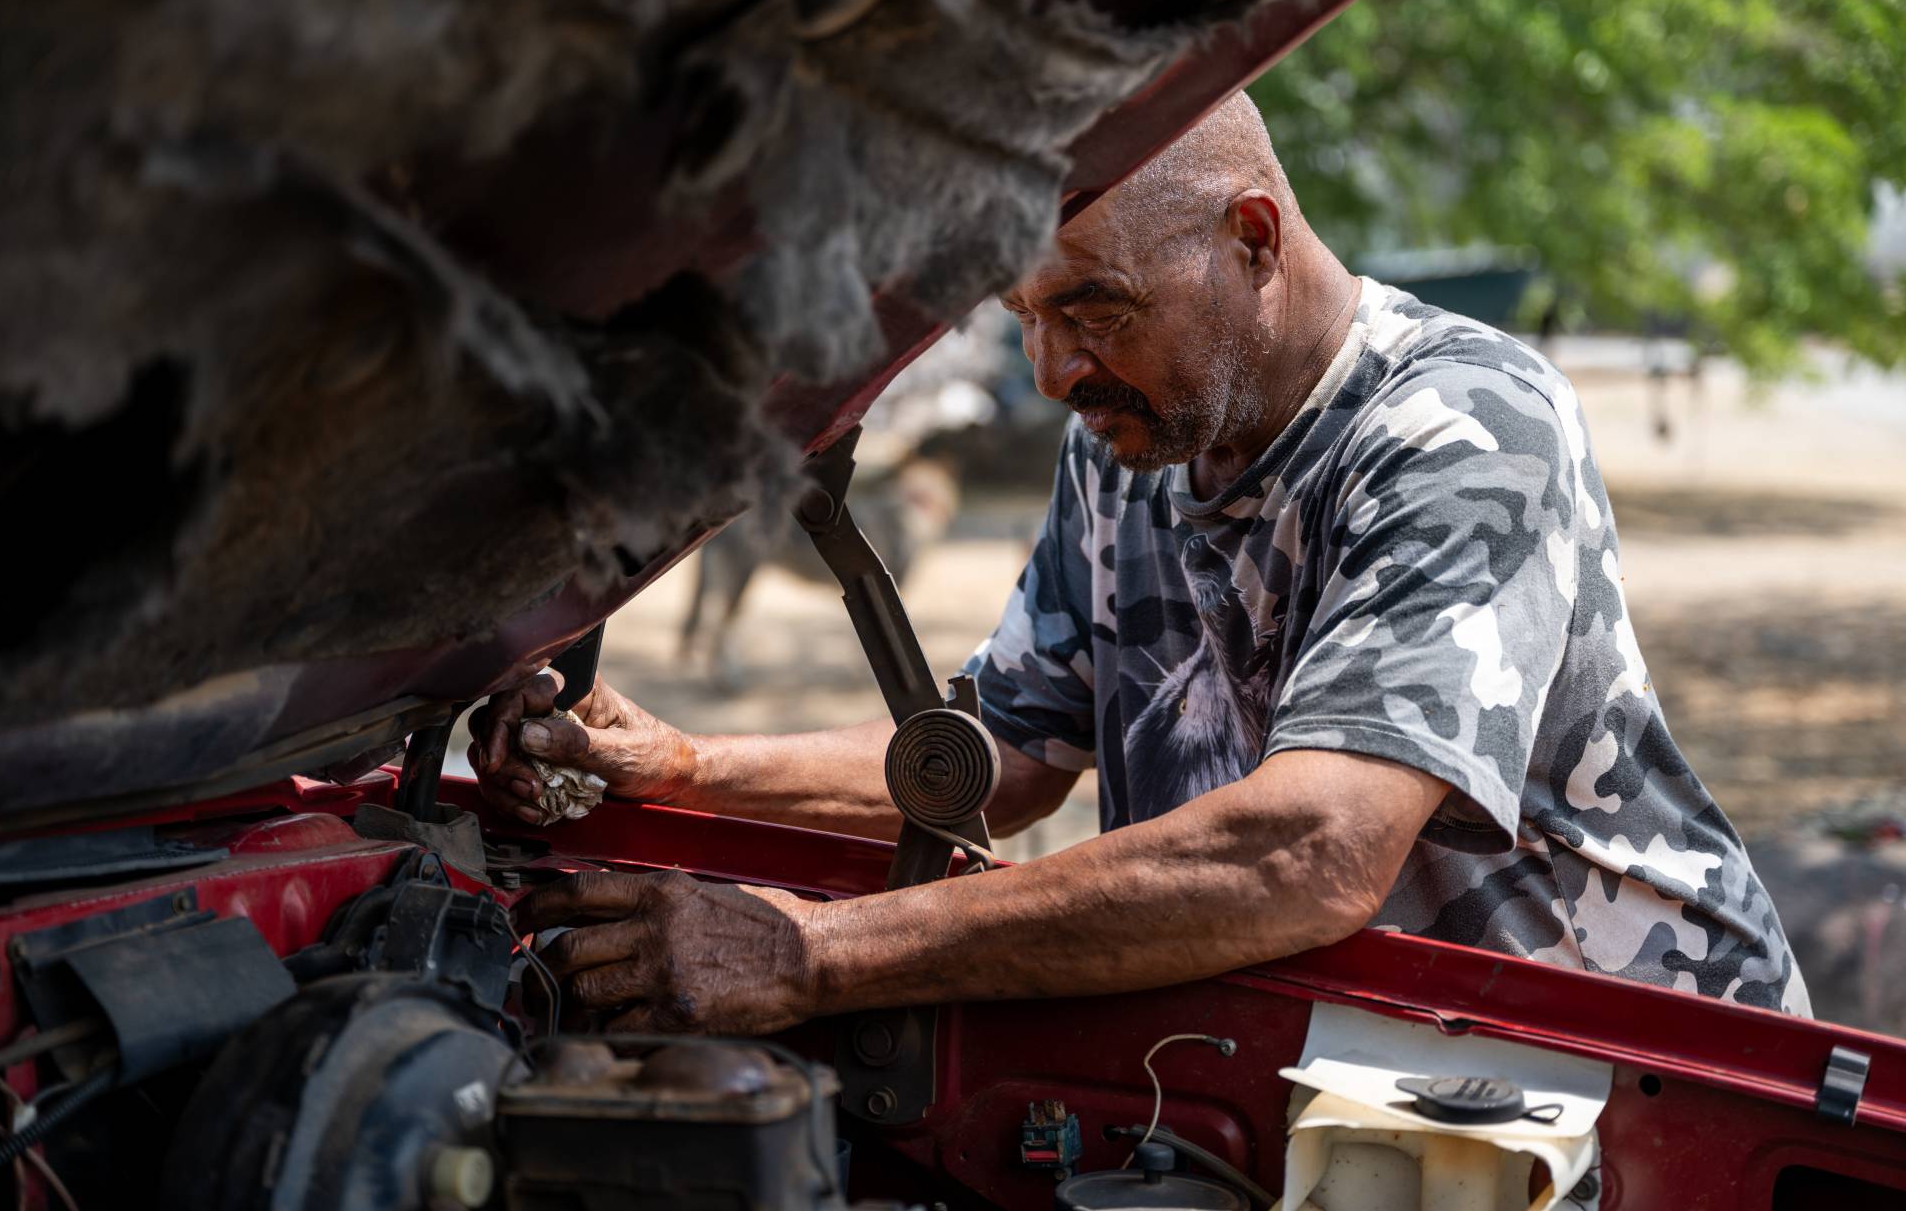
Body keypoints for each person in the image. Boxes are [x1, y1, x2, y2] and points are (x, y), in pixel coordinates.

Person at [470, 93, 1809, 1034]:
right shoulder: (1135, 435)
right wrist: (695, 771)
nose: (1055, 372)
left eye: (1094, 312)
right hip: (1341, 1046)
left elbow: (1313, 851)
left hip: (1637, 1067)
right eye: (1031, 320)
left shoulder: (1461, 431)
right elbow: (1011, 756)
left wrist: (818, 953)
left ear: (1253, 239)